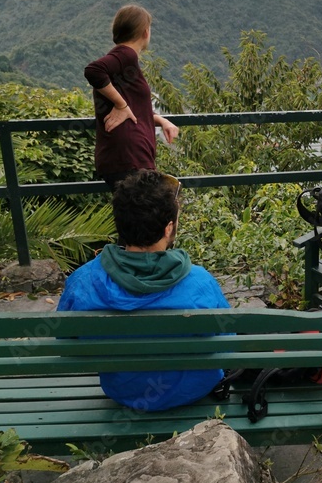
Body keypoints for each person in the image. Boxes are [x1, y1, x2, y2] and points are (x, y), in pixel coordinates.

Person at [56, 169, 229, 411]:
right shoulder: (201, 282)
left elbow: (66, 345)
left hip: (124, 393)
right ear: (168, 228)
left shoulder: (82, 282)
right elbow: (228, 342)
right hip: (193, 391)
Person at [84, 4, 180, 190]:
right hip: (130, 158)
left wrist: (162, 121)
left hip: (123, 158)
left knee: (135, 216)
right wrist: (121, 105)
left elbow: (133, 110)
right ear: (145, 32)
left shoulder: (122, 59)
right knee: (146, 216)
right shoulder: (126, 55)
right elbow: (93, 71)